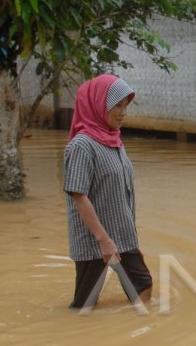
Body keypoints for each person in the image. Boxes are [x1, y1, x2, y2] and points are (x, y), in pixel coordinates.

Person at [62, 74, 153, 310]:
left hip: (122, 235)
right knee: (85, 305)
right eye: (117, 106)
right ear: (98, 105)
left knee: (143, 288)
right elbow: (78, 195)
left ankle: (131, 339)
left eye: (125, 106)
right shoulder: (82, 145)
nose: (123, 112)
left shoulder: (114, 141)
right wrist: (103, 240)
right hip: (95, 241)